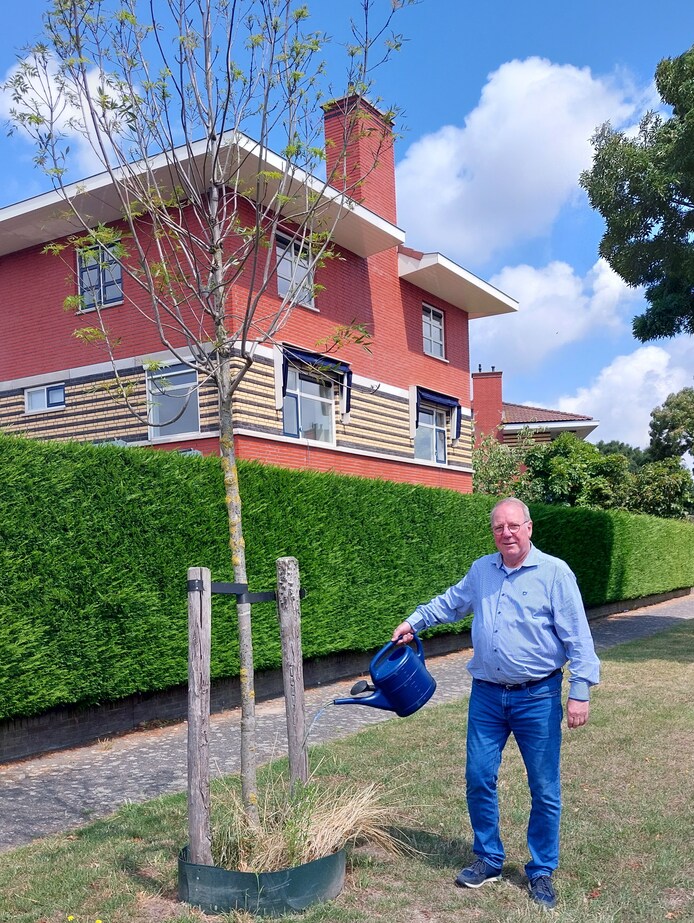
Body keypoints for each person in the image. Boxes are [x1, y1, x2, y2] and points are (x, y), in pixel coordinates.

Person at [391, 497, 600, 910]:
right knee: (478, 776)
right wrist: (414, 622)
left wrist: (580, 690)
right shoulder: (482, 570)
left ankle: (540, 870)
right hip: (487, 695)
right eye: (499, 527)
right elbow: (450, 602)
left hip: (537, 696)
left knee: (543, 786)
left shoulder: (555, 573)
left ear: (529, 527)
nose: (506, 533)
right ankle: (488, 857)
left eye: (513, 526)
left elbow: (578, 636)